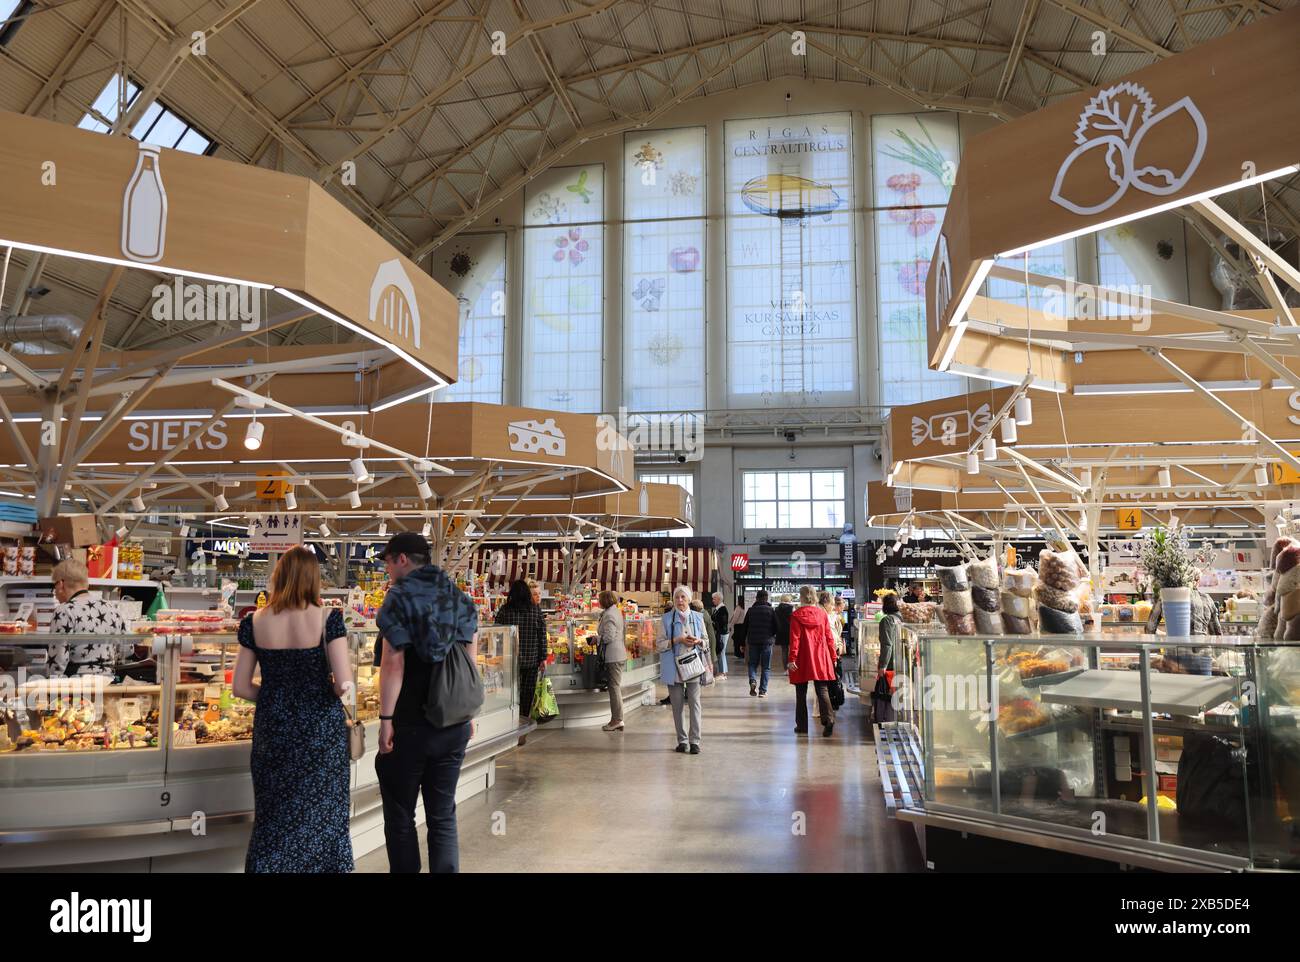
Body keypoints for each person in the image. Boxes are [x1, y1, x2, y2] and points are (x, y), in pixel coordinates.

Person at [232, 546, 353, 873]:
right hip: (320, 735)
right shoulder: (329, 619)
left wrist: (277, 698)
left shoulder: (253, 621)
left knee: (273, 818)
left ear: (279, 577)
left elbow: (240, 686)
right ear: (313, 579)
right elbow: (345, 686)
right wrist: (316, 692)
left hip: (273, 732)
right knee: (323, 816)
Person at [373, 532, 479, 874]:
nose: (387, 569)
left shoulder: (398, 598)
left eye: (388, 561)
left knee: (401, 816)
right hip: (453, 722)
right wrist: (467, 711)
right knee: (443, 814)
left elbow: (393, 662)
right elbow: (469, 656)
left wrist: (385, 719)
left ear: (402, 559)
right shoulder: (458, 597)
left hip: (410, 724)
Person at [48, 557, 127, 676]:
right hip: (108, 682)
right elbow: (127, 649)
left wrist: (49, 689)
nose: (54, 592)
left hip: (77, 686)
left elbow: (57, 662)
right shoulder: (112, 608)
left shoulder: (64, 611)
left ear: (60, 584)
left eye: (54, 587)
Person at [495, 579, 547, 743]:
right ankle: (522, 732)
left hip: (510, 662)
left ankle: (508, 727)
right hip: (531, 661)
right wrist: (543, 658)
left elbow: (497, 633)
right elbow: (542, 636)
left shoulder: (505, 610)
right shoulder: (535, 610)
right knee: (526, 696)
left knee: (510, 696)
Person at [658, 585, 707, 753]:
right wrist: (677, 639)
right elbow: (660, 644)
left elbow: (706, 642)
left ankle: (695, 742)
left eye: (683, 597)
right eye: (677, 597)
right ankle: (682, 741)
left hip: (693, 666)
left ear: (689, 599)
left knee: (695, 704)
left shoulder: (698, 618)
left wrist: (699, 642)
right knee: (677, 706)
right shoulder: (666, 619)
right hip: (674, 668)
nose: (680, 601)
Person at [787, 585, 840, 737]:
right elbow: (829, 637)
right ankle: (828, 719)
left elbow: (795, 639)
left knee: (800, 692)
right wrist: (833, 657)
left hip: (802, 657)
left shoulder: (796, 615)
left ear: (801, 597)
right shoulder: (822, 614)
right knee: (822, 689)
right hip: (820, 655)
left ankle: (802, 726)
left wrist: (792, 659)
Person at [597, 590, 626, 731]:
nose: (598, 602)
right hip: (618, 654)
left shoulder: (609, 614)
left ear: (605, 601)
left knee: (614, 688)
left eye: (599, 599)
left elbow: (609, 636)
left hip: (613, 655)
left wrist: (596, 639)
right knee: (615, 687)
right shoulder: (615, 612)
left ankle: (617, 720)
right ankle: (618, 719)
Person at [742, 589, 778, 697]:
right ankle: (762, 691)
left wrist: (741, 643)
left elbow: (744, 627)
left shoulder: (750, 610)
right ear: (766, 598)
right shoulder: (771, 610)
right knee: (766, 667)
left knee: (752, 664)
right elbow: (777, 626)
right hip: (767, 642)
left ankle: (752, 680)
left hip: (753, 641)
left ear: (756, 598)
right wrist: (772, 635)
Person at [690, 598, 717, 678]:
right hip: (710, 637)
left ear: (696, 607)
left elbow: (701, 630)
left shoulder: (702, 615)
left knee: (709, 656)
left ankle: (710, 674)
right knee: (710, 656)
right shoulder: (704, 612)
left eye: (692, 607)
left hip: (708, 638)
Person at [710, 592, 730, 680]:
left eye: (714, 599)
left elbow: (723, 623)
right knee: (720, 653)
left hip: (722, 633)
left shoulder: (722, 609)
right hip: (720, 633)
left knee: (721, 652)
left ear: (718, 599)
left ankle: (723, 673)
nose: (713, 600)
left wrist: (713, 624)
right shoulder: (718, 608)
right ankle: (722, 672)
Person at [775, 596, 794, 673]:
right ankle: (791, 668)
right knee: (792, 650)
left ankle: (786, 669)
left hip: (780, 631)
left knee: (784, 650)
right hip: (790, 631)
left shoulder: (777, 609)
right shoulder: (791, 608)